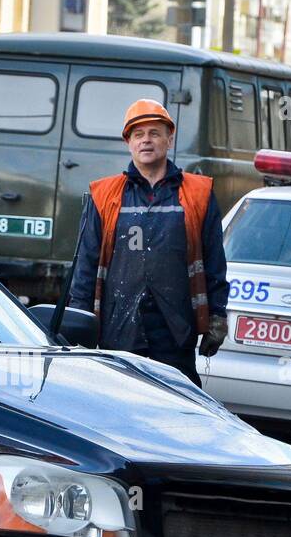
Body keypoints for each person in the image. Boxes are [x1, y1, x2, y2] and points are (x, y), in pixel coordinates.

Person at [69, 99, 228, 386]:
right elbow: (86, 266)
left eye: (154, 133)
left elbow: (214, 261)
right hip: (119, 329)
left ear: (170, 138)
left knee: (178, 408)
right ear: (128, 142)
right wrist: (78, 322)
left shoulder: (198, 193)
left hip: (175, 329)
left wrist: (217, 315)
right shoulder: (104, 195)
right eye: (138, 134)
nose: (146, 141)